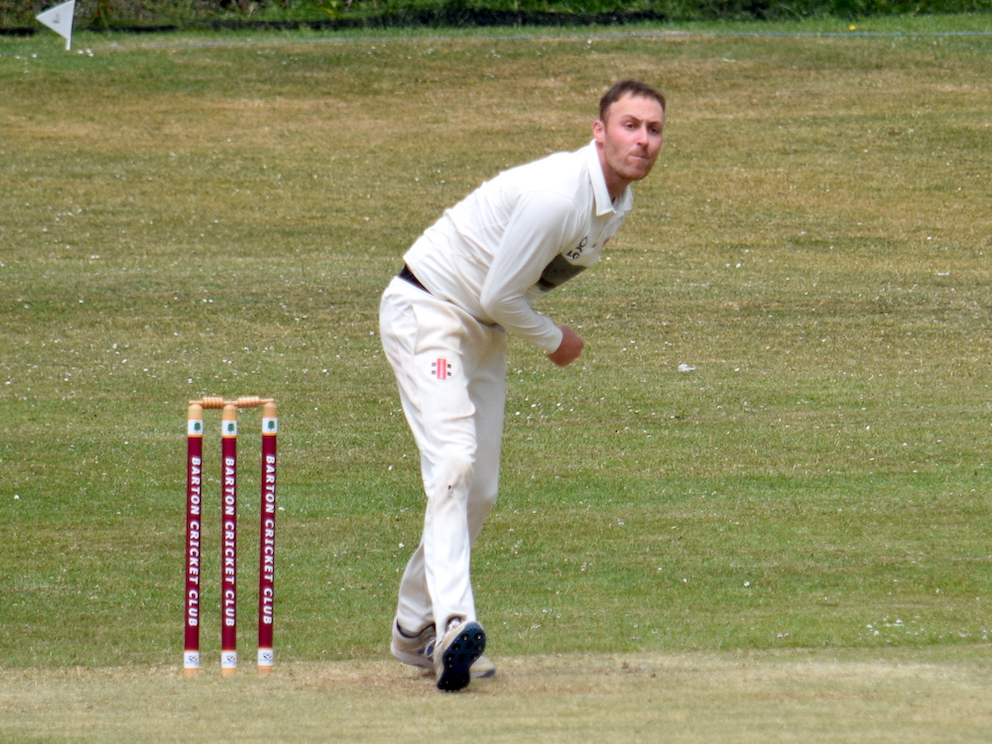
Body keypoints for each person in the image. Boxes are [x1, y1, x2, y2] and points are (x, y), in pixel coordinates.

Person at [379, 80, 666, 691]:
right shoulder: (558, 196)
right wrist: (555, 339)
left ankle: (413, 627)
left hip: (484, 329)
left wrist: (531, 327)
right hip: (429, 308)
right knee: (453, 461)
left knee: (479, 490)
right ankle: (454, 624)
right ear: (599, 131)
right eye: (630, 125)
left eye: (654, 129)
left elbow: (505, 295)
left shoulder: (617, 203)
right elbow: (500, 293)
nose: (642, 140)